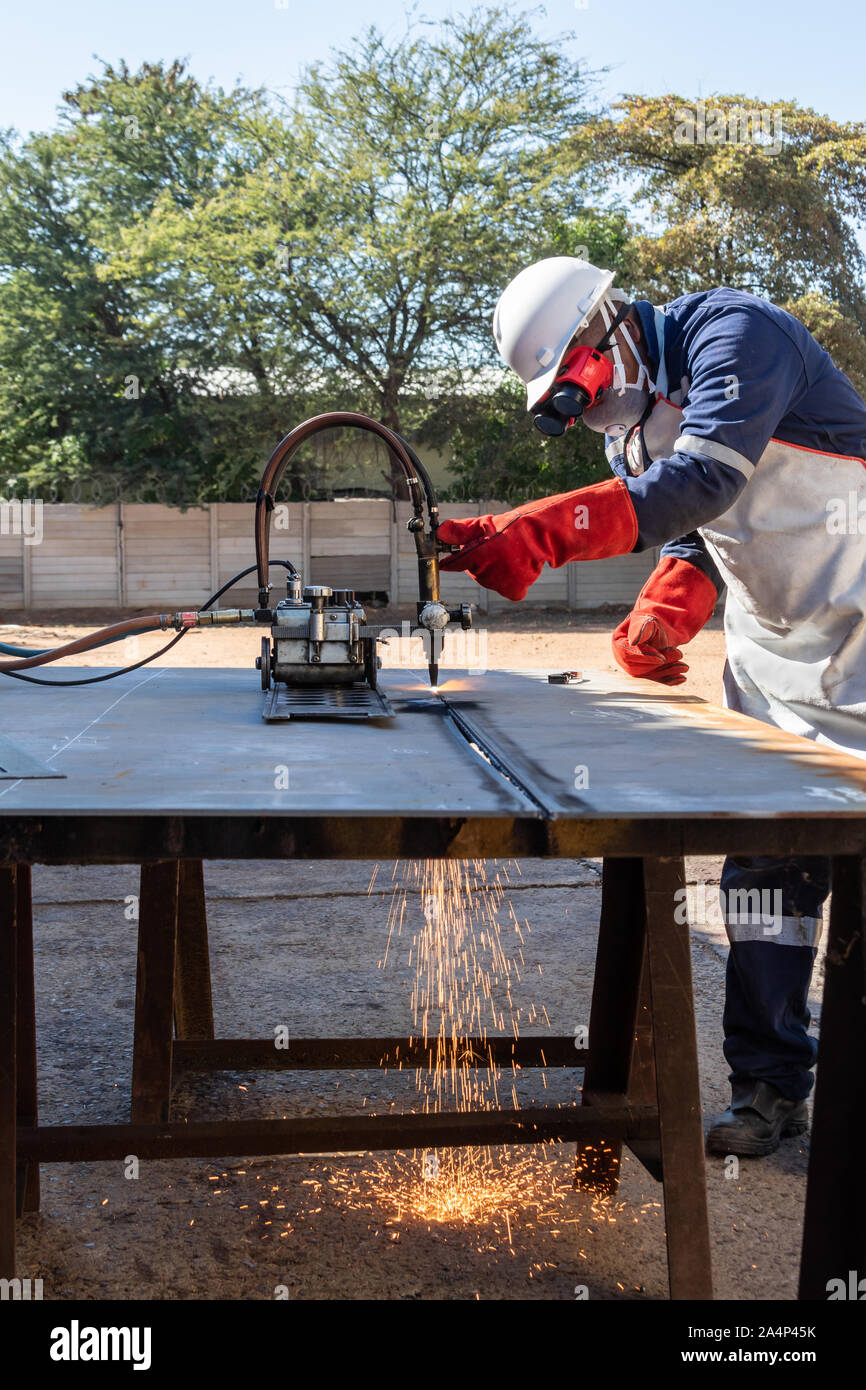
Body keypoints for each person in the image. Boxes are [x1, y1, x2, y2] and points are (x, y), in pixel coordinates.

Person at [438, 256, 866, 1157]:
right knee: (763, 890)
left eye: (576, 390)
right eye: (563, 404)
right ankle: (770, 1091)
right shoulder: (627, 432)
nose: (583, 414)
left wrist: (541, 530)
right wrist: (663, 609)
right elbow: (703, 528)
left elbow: (707, 479)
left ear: (611, 327)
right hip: (777, 663)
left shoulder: (736, 334)